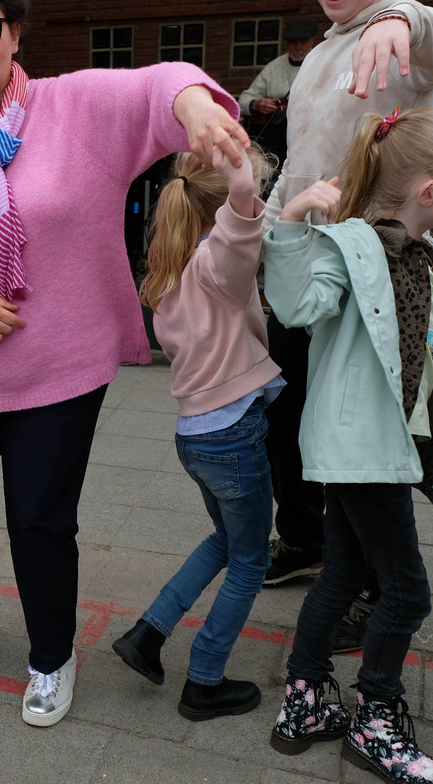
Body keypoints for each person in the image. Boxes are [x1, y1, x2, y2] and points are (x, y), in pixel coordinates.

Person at [0, 0, 249, 728]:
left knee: (41, 520)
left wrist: (198, 108)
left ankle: (50, 657)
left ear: (13, 33)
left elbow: (160, 82)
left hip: (60, 370)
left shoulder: (74, 109)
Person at [264, 107, 433, 784]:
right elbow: (295, 307)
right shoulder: (351, 248)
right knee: (406, 594)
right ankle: (376, 721)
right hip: (360, 450)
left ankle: (307, 699)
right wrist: (289, 226)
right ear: (429, 189)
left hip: (382, 447)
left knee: (343, 573)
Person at [260, 0, 433, 639]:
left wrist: (397, 15)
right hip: (308, 267)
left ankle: (379, 587)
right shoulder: (318, 53)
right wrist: (259, 237)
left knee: (365, 442)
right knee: (286, 416)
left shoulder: (402, 34)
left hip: (376, 279)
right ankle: (310, 542)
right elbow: (298, 166)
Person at [111, 145, 280, 721]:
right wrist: (242, 181)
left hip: (197, 435)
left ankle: (148, 633)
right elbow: (241, 230)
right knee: (252, 560)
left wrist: (295, 202)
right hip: (233, 433)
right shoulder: (214, 266)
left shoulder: (171, 274)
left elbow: (246, 228)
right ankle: (205, 678)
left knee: (224, 543)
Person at [238, 17, 319, 170]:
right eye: (293, 42)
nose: (298, 47)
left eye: (303, 42)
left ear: (312, 40)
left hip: (311, 136)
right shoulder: (274, 67)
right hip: (277, 141)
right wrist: (256, 104)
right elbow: (244, 99)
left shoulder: (321, 64)